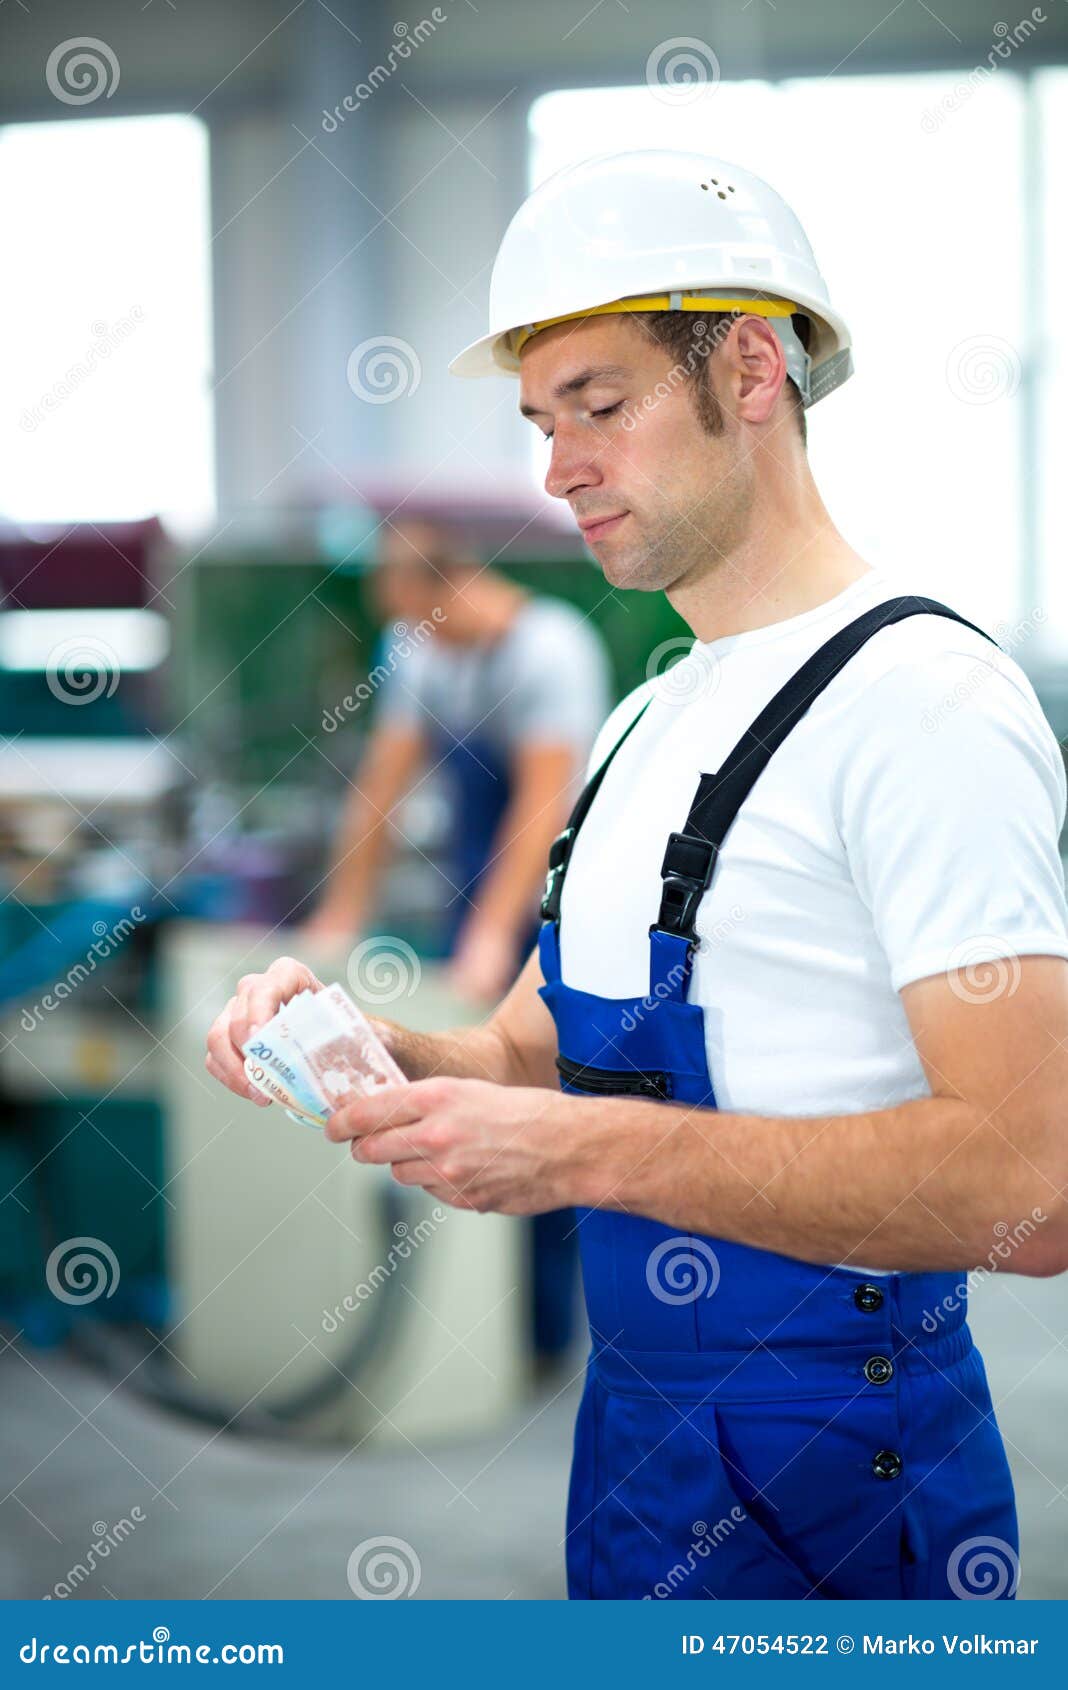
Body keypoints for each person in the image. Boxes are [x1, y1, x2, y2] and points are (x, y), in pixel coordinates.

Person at [208, 150, 1068, 1600]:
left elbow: (1032, 1187)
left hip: (837, 1460)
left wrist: (587, 1156)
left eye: (599, 406)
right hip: (637, 1444)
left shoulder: (924, 701)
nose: (557, 468)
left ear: (748, 369)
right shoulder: (640, 719)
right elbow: (546, 1043)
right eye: (543, 423)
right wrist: (392, 1058)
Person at [301, 513, 610, 1367]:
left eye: (412, 615)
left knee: (544, 1096)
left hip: (555, 896)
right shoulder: (420, 654)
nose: (403, 636)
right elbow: (380, 790)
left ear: (455, 581)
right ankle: (475, 1333)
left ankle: (545, 1339)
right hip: (472, 884)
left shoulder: (552, 651)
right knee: (460, 1100)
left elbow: (541, 813)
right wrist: (342, 911)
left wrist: (489, 939)